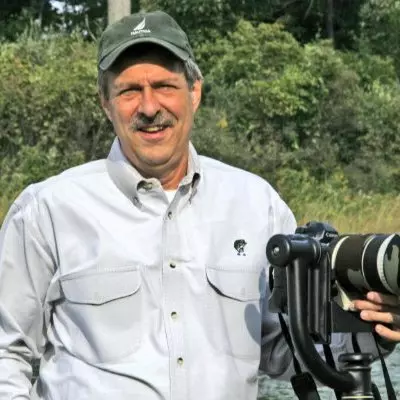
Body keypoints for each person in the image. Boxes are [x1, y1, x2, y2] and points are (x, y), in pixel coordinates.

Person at [0, 10, 398, 400]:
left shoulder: (258, 205)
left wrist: (373, 332)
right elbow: (5, 352)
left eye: (164, 86)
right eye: (129, 91)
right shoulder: (46, 209)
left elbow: (288, 349)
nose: (149, 106)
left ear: (195, 92)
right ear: (105, 102)